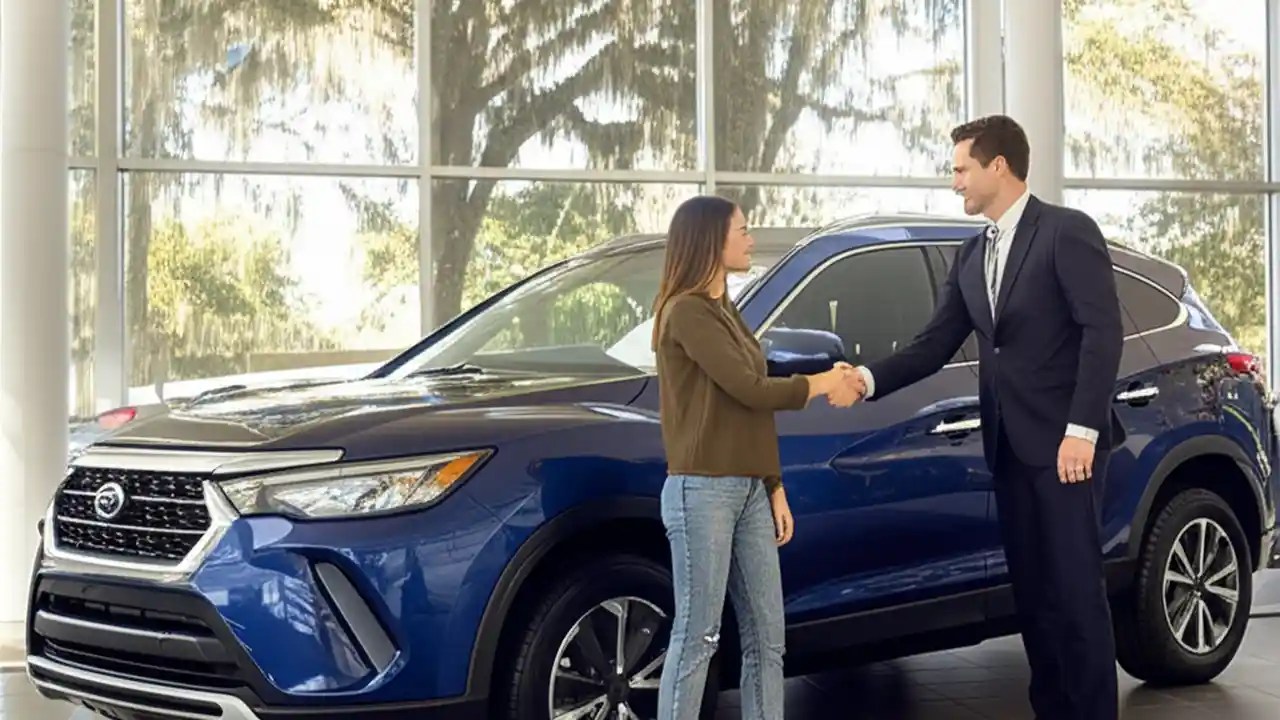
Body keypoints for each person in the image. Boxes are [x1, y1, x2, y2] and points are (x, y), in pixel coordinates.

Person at [848, 115, 1124, 720]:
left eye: (960, 169)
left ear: (998, 166)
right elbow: (934, 343)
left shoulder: (1065, 232)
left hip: (1065, 450)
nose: (954, 183)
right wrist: (865, 380)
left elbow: (1103, 333)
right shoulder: (972, 254)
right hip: (1008, 449)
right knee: (1034, 601)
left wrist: (1082, 430)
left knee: (1077, 598)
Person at [651, 195, 860, 719]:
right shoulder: (686, 313)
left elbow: (749, 408)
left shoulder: (726, 312)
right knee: (698, 635)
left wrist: (773, 485)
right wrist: (822, 382)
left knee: (769, 638)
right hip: (702, 491)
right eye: (742, 230)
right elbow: (752, 389)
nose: (751, 238)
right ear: (711, 241)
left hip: (746, 489)